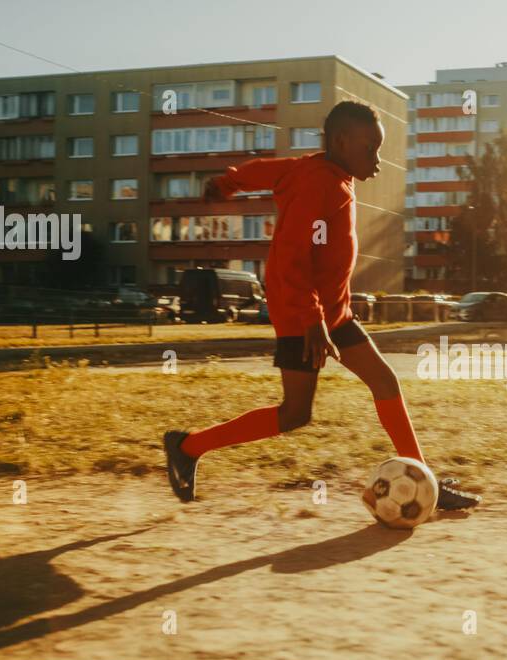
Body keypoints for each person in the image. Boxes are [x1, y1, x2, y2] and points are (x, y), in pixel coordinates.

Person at [163, 101, 480, 511]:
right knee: (295, 413)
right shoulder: (321, 184)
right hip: (302, 314)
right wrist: (312, 319)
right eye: (371, 150)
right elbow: (295, 255)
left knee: (384, 382)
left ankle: (422, 479)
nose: (377, 162)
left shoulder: (317, 169)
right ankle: (187, 447)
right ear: (340, 142)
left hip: (334, 313)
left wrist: (229, 182)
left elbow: (268, 168)